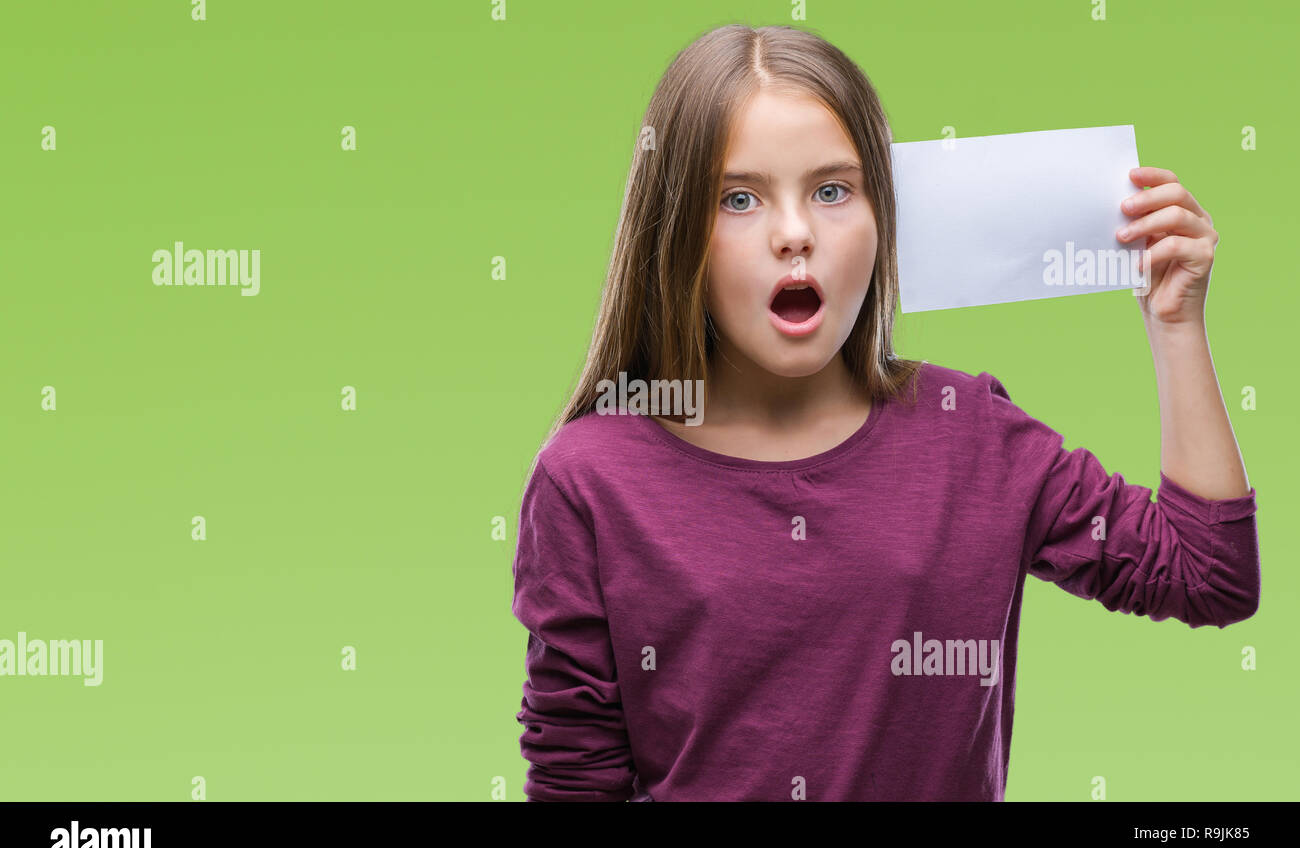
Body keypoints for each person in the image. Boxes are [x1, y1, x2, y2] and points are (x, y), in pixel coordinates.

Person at [510, 23, 1260, 802]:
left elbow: (1208, 574)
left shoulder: (970, 433)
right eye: (738, 198)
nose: (795, 233)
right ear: (675, 235)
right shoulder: (590, 477)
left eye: (833, 190)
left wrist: (1176, 327)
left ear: (883, 218)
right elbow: (574, 782)